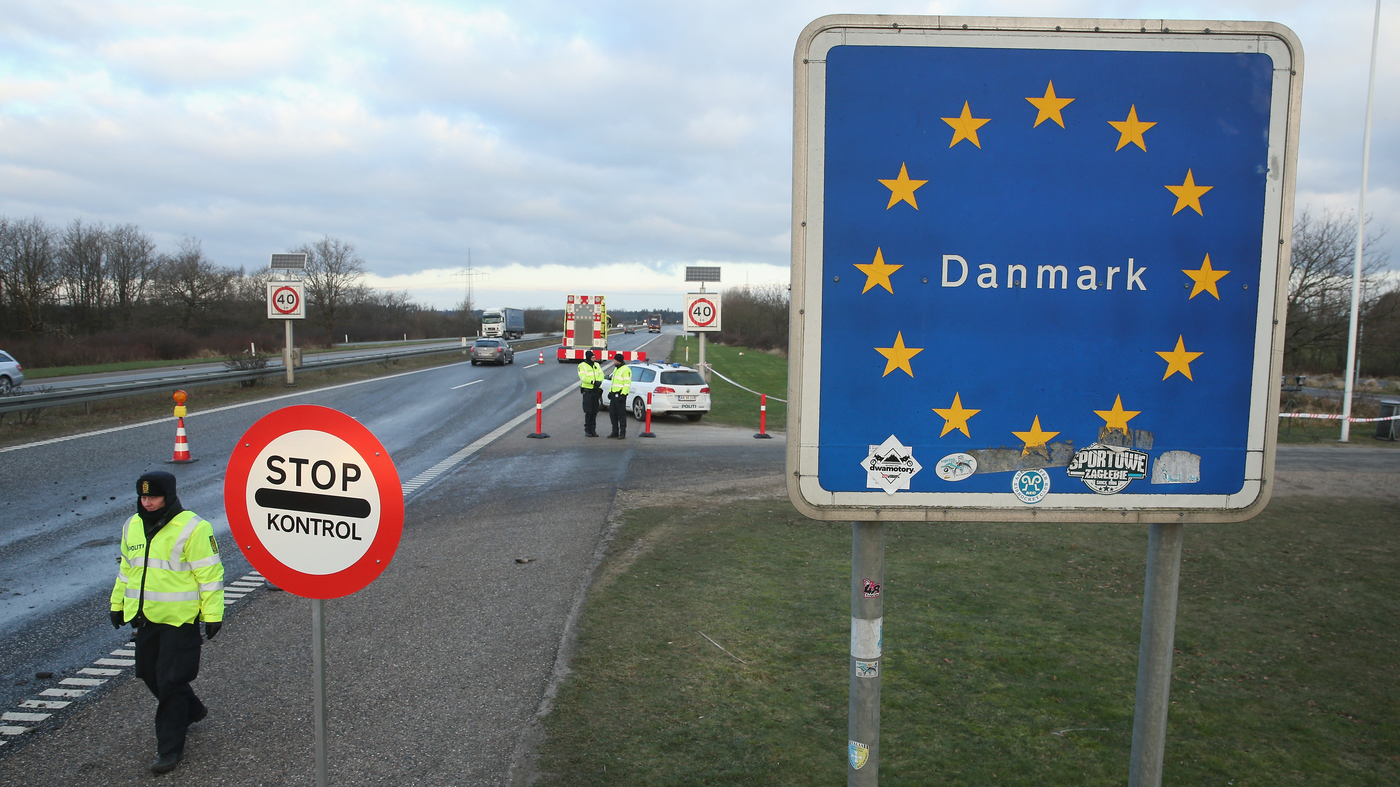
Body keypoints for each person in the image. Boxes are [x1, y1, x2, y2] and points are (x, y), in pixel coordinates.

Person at [110, 471, 225, 774]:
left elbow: (210, 575)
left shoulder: (194, 528)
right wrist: (117, 603)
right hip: (146, 618)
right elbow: (127, 569)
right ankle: (193, 709)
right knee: (150, 675)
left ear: (170, 496)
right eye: (143, 496)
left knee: (171, 682)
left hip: (180, 620)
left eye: (154, 497)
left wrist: (213, 614)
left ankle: (169, 749)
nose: (147, 503)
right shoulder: (132, 526)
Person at [577, 350, 604, 437]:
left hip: (596, 391)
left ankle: (593, 430)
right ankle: (587, 430)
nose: (594, 359)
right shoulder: (582, 365)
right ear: (589, 357)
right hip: (587, 391)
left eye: (595, 357)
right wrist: (593, 382)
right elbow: (583, 377)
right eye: (593, 357)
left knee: (595, 411)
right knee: (588, 412)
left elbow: (601, 374)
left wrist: (599, 382)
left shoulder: (597, 365)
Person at [607, 352, 633, 439]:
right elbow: (614, 382)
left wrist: (623, 394)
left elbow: (627, 383)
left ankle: (622, 433)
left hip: (620, 395)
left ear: (618, 361)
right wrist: (610, 392)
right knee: (613, 414)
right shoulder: (616, 369)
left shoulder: (625, 369)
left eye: (615, 359)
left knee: (621, 415)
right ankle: (615, 431)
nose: (613, 361)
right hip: (614, 394)